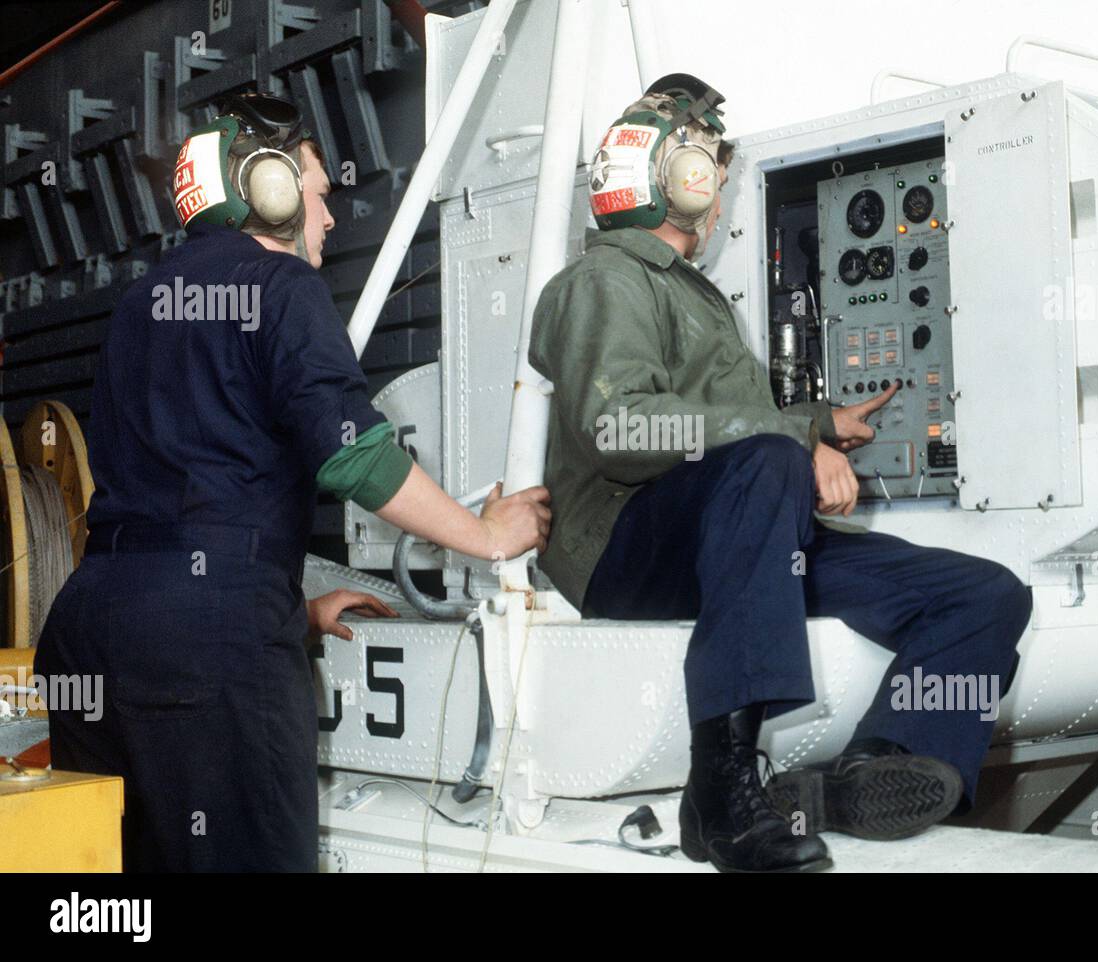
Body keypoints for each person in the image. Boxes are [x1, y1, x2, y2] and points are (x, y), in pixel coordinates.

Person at [33, 92, 550, 872]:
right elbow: (353, 455)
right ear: (267, 187)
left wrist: (290, 609)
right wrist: (487, 534)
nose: (330, 216)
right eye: (316, 190)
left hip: (92, 626)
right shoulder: (280, 286)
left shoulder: (140, 304)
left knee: (121, 887)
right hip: (207, 638)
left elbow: (178, 490)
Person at [528, 75, 1032, 873]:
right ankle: (720, 793)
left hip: (739, 532)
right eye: (712, 168)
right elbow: (621, 427)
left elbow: (727, 441)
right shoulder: (606, 280)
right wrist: (793, 439)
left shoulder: (692, 296)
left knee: (984, 595)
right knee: (766, 464)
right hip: (627, 546)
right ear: (679, 178)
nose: (720, 187)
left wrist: (818, 422)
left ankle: (882, 757)